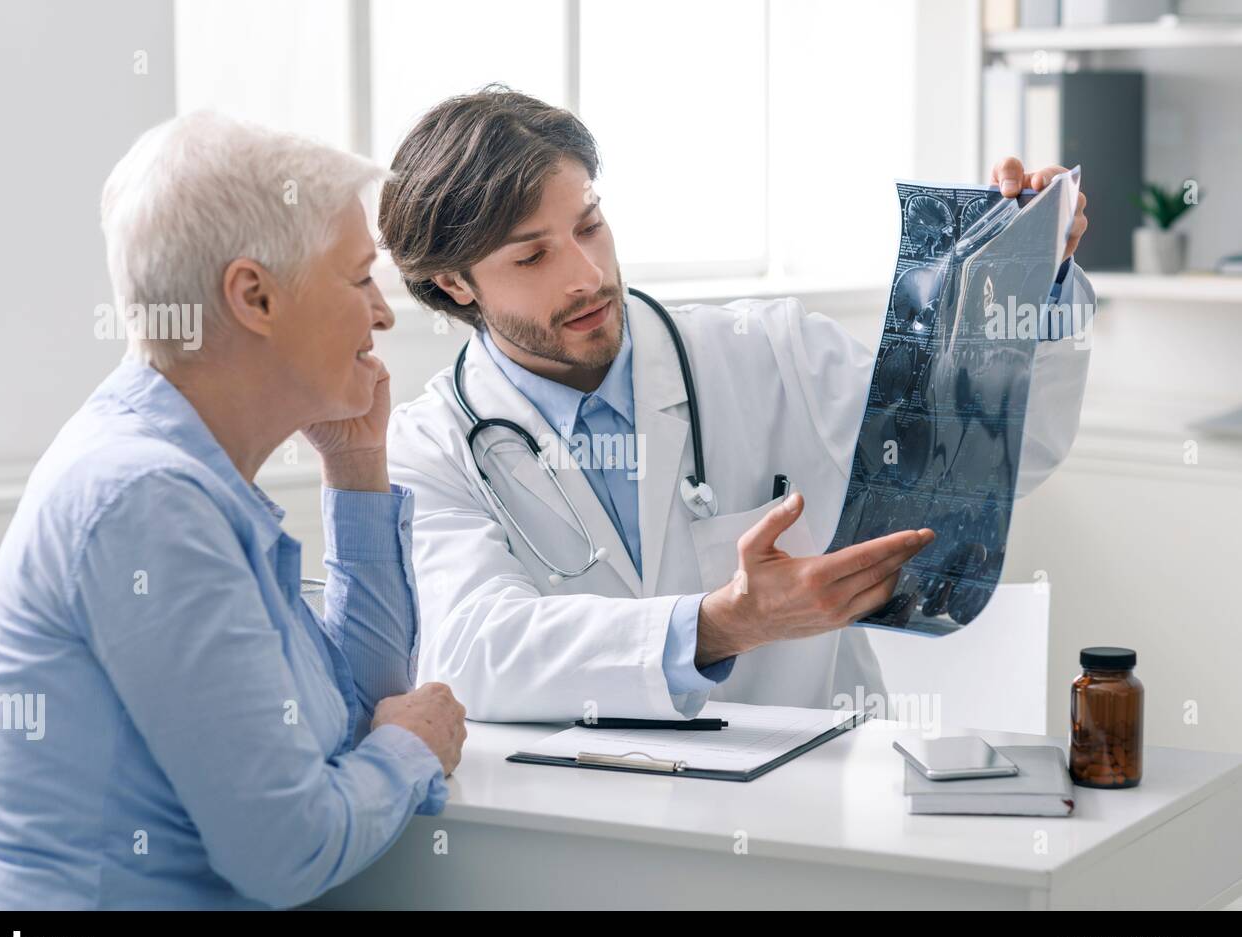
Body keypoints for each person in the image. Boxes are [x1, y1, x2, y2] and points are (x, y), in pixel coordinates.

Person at [379, 87, 1094, 723]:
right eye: (533, 257)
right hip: (584, 824)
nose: (588, 275)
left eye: (590, 225)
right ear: (453, 283)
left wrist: (1037, 278)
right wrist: (718, 625)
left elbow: (999, 461)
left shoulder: (769, 351)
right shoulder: (431, 446)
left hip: (818, 810)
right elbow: (473, 651)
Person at [0, 111, 466, 910]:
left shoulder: (196, 474)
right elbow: (292, 847)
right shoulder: (146, 498)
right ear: (254, 295)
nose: (384, 312)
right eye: (360, 277)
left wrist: (357, 468)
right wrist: (412, 747)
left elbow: (356, 709)